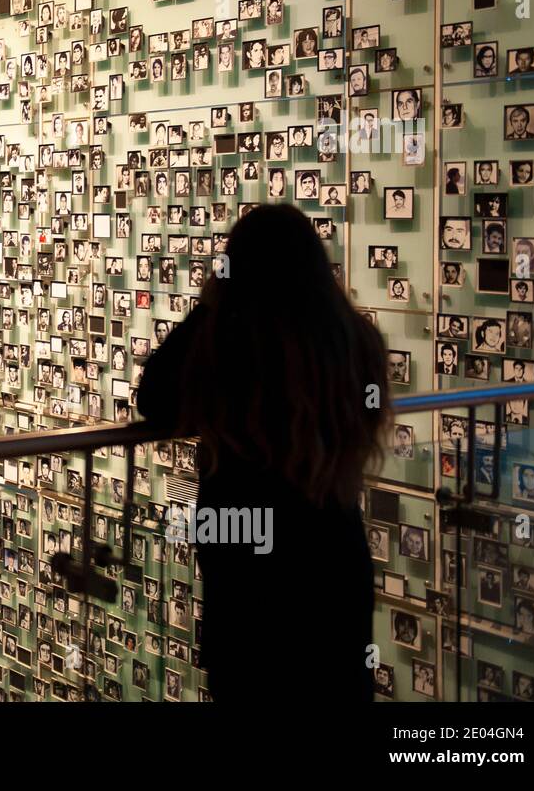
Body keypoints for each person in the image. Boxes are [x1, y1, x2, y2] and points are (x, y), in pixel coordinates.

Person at [134, 205, 388, 701]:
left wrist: (210, 302)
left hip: (252, 575)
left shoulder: (233, 341)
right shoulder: (354, 340)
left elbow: (156, 397)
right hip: (334, 556)